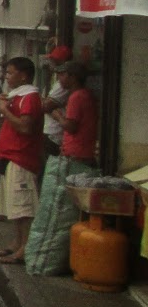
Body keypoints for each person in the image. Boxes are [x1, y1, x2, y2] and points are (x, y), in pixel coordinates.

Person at [22, 61, 98, 277]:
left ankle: (47, 262)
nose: (59, 79)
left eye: (62, 75)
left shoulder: (77, 96)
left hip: (75, 156)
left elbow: (71, 126)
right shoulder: (85, 95)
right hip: (79, 154)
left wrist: (55, 113)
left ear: (72, 76)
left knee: (59, 208)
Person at [0, 57, 43, 264]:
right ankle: (17, 242)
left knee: (24, 207)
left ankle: (25, 248)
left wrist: (4, 110)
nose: (7, 77)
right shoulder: (17, 96)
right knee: (15, 206)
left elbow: (25, 127)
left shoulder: (29, 97)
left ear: (24, 75)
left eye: (11, 73)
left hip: (21, 156)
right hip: (10, 155)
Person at [40, 45, 73, 158]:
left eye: (55, 60)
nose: (51, 62)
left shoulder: (63, 85)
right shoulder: (56, 79)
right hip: (49, 129)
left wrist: (42, 101)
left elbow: (46, 106)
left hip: (55, 133)